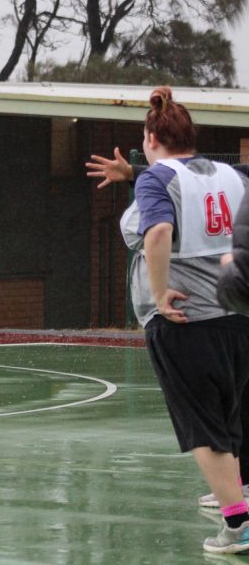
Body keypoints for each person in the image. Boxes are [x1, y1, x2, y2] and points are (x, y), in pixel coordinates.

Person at [97, 86, 249, 554]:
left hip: (186, 320)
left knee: (201, 424)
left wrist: (161, 294)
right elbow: (194, 192)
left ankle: (237, 524)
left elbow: (160, 228)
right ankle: (237, 491)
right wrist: (134, 176)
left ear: (150, 137)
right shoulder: (233, 174)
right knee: (234, 412)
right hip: (238, 315)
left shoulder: (157, 180)